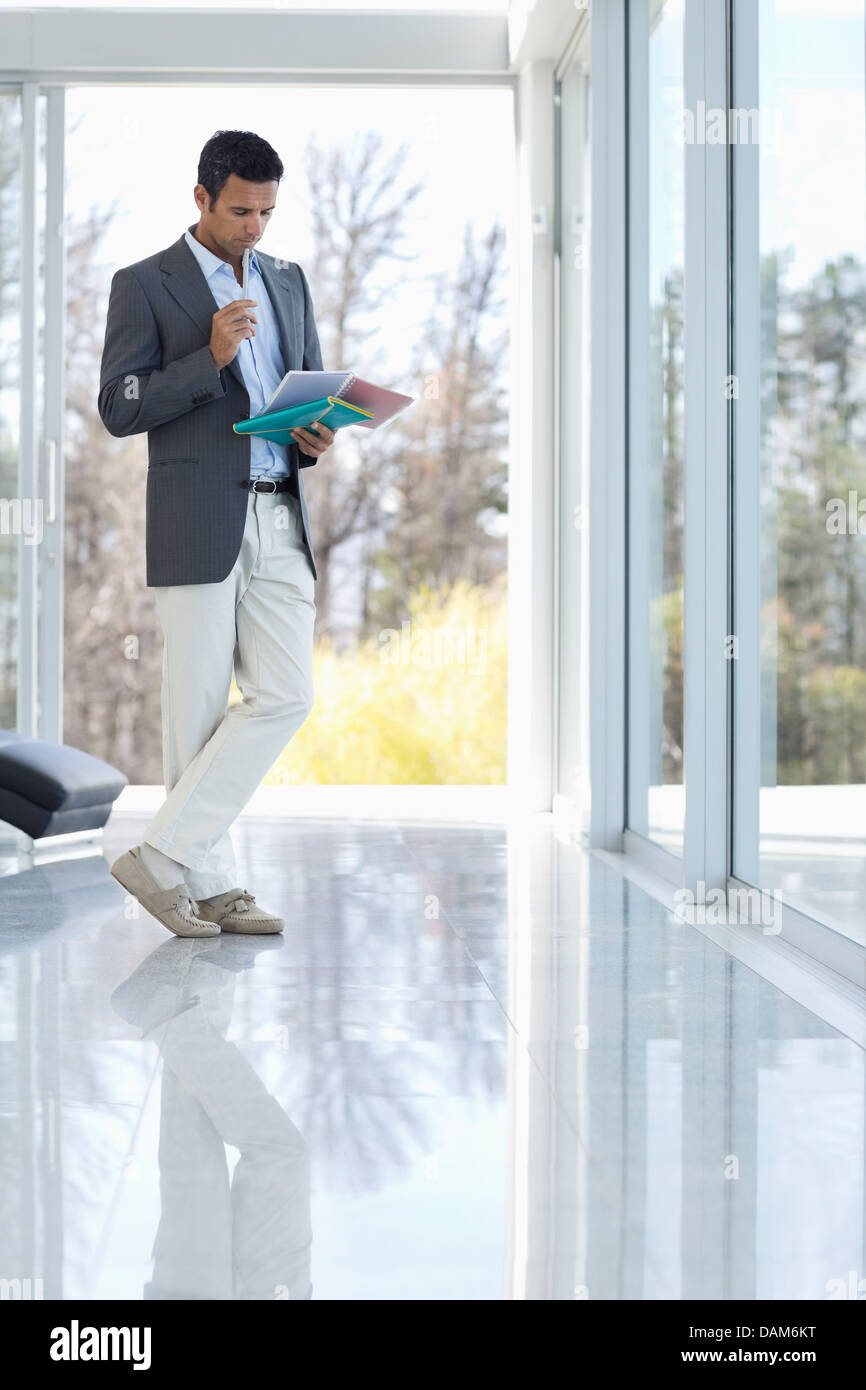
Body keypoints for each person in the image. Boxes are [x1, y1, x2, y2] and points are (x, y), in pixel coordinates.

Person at [98, 129, 333, 937]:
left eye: (267, 211)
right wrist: (208, 357)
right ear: (201, 198)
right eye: (241, 210)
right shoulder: (145, 284)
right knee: (196, 712)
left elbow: (303, 382)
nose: (255, 229)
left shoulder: (290, 282)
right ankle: (211, 882)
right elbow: (120, 405)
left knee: (286, 694)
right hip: (197, 512)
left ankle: (160, 859)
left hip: (279, 507)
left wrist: (316, 431)